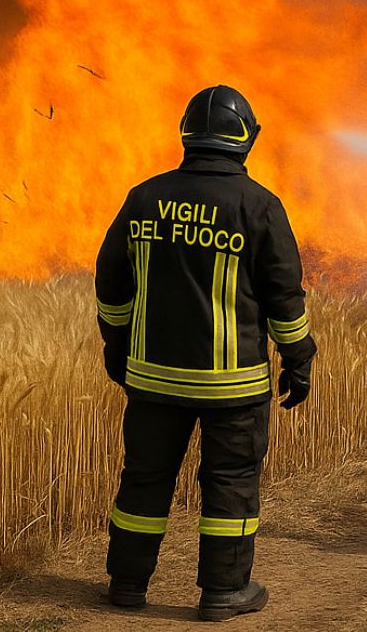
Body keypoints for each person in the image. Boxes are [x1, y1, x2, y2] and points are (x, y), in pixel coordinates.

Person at [94, 84, 317, 620]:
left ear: (187, 133)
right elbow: (284, 298)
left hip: (153, 379)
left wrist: (117, 344)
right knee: (231, 483)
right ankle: (224, 591)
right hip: (232, 386)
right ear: (247, 138)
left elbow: (111, 281)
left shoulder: (144, 198)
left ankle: (127, 584)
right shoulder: (260, 207)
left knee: (144, 479)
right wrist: (298, 357)